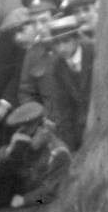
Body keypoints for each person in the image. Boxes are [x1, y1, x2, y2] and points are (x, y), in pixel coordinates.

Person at [19, 14, 94, 151]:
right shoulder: (57, 65)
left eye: (66, 41)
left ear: (76, 38)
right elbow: (64, 107)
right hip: (76, 125)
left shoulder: (93, 52)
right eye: (57, 43)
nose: (62, 48)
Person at [0, 102, 72, 207]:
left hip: (46, 207)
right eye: (23, 132)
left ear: (44, 128)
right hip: (18, 207)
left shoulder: (59, 153)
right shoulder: (22, 143)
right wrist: (9, 150)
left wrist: (25, 201)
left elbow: (53, 195)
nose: (27, 138)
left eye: (31, 133)